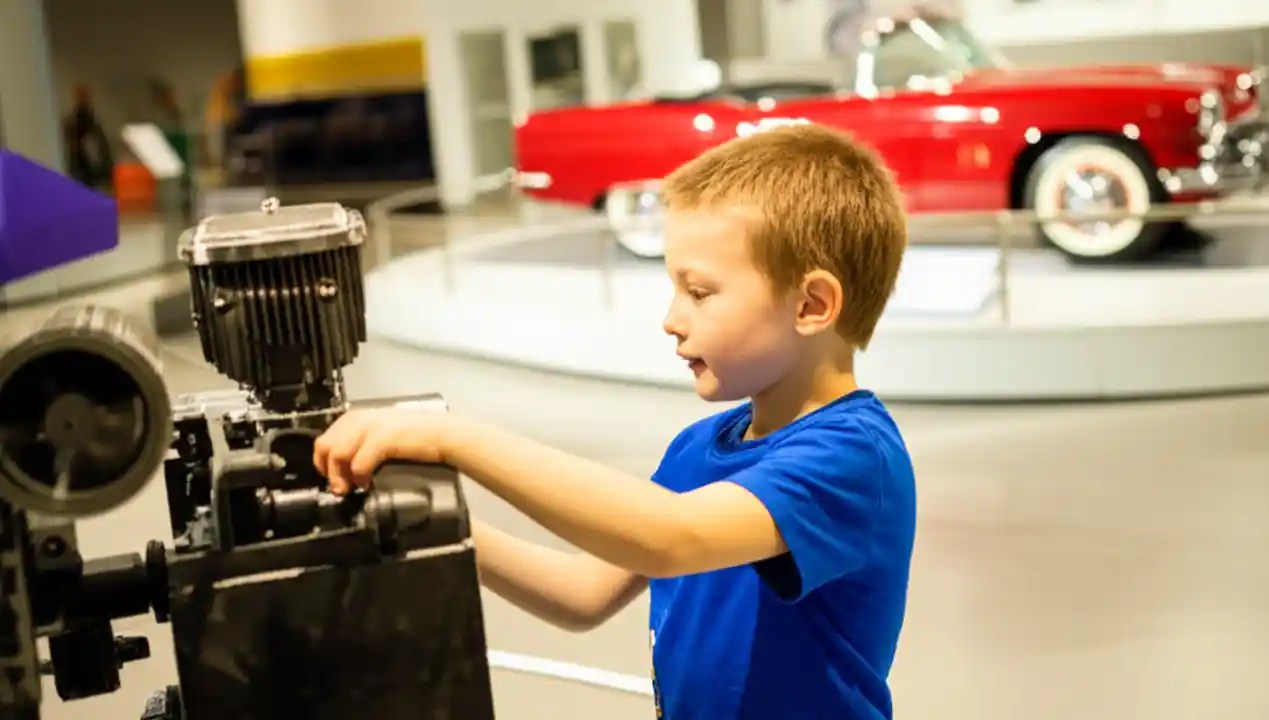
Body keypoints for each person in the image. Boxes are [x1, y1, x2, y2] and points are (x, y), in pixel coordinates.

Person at [314, 122, 917, 719]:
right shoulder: (696, 450)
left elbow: (667, 538)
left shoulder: (855, 460)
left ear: (811, 306)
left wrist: (451, 438)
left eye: (700, 292)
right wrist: (427, 522)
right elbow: (582, 594)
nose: (672, 319)